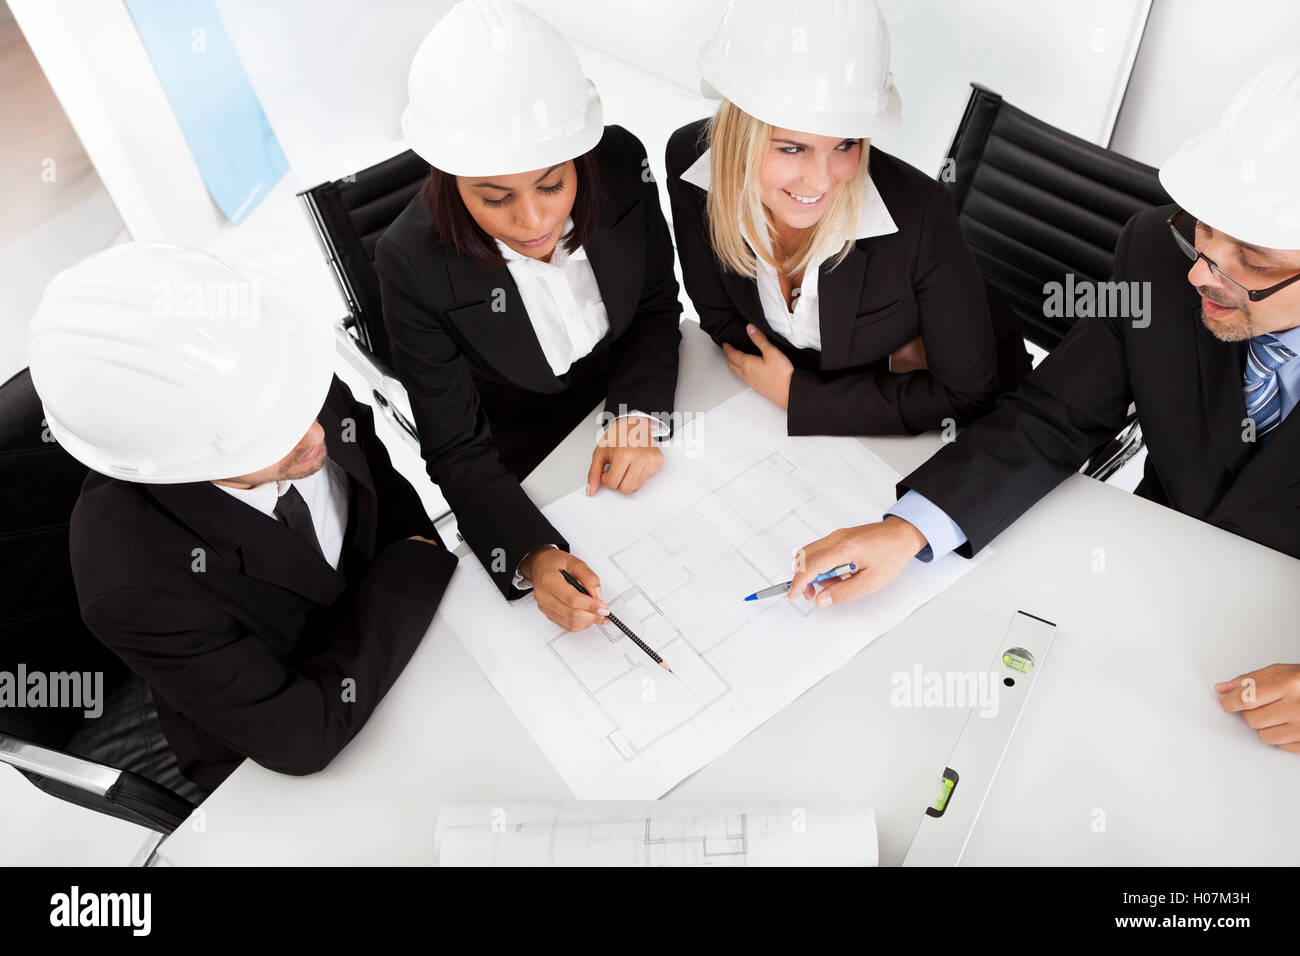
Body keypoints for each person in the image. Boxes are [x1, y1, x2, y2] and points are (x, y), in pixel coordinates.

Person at [786, 56, 1300, 754]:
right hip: (1143, 592)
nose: (1200, 274)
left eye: (1257, 262)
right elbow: (1054, 414)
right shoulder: (1155, 252)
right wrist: (911, 529)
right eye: (1202, 231)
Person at [27, 242, 458, 799]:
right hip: (275, 762)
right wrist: (414, 567)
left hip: (402, 660)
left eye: (295, 407)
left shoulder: (280, 382)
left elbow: (395, 513)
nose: (313, 434)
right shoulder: (130, 582)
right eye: (265, 439)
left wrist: (413, 563)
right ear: (177, 462)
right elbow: (302, 739)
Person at [378, 0, 682, 632]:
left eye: (551, 185)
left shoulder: (622, 163)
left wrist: (636, 412)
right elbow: (457, 447)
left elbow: (656, 306)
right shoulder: (410, 260)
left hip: (631, 414)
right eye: (494, 198)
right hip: (525, 461)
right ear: (450, 178)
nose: (534, 221)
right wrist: (529, 553)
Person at [665, 0, 1030, 438]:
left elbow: (967, 395)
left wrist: (801, 397)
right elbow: (723, 321)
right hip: (799, 422)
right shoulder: (692, 166)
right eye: (791, 148)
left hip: (973, 432)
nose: (822, 180)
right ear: (738, 136)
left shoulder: (920, 214)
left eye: (845, 144)